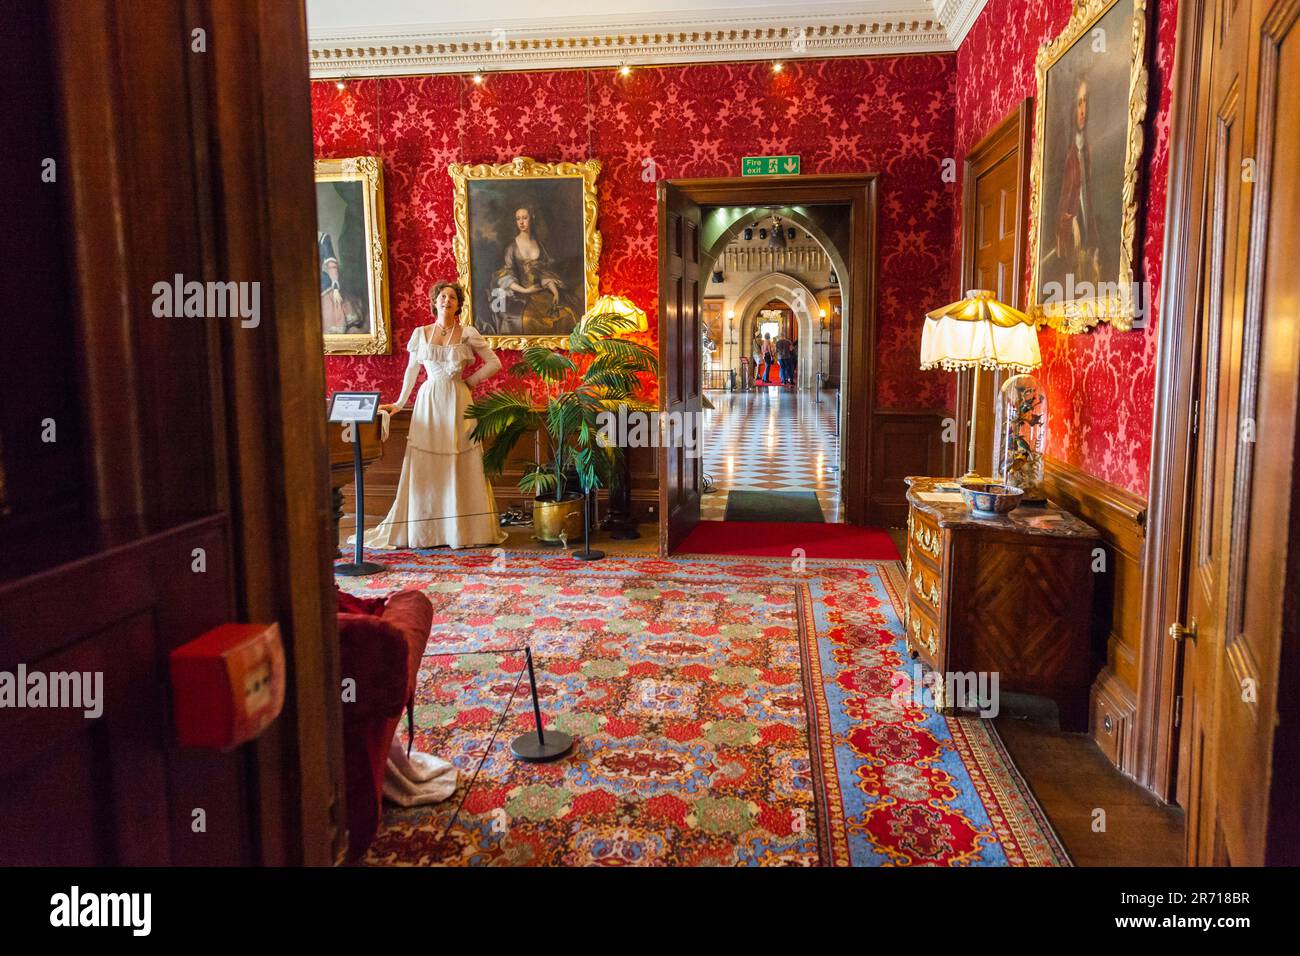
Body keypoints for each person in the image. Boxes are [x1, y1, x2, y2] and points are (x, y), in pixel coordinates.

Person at [358, 281, 508, 550]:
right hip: (428, 402)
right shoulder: (421, 333)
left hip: (458, 400)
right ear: (434, 302)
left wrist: (470, 382)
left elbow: (495, 363)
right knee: (426, 463)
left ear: (458, 304)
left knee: (459, 459)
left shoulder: (467, 333)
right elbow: (411, 371)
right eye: (442, 296)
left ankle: (462, 531)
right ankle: (427, 532)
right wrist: (401, 402)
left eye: (452, 297)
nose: (446, 300)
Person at [490, 205, 580, 335]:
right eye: (518, 218)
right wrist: (526, 290)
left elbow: (544, 273)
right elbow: (507, 276)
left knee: (566, 315)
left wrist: (555, 292)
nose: (521, 222)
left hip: (541, 292)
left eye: (524, 218)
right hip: (520, 295)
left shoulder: (539, 244)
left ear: (532, 218)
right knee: (528, 321)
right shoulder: (511, 248)